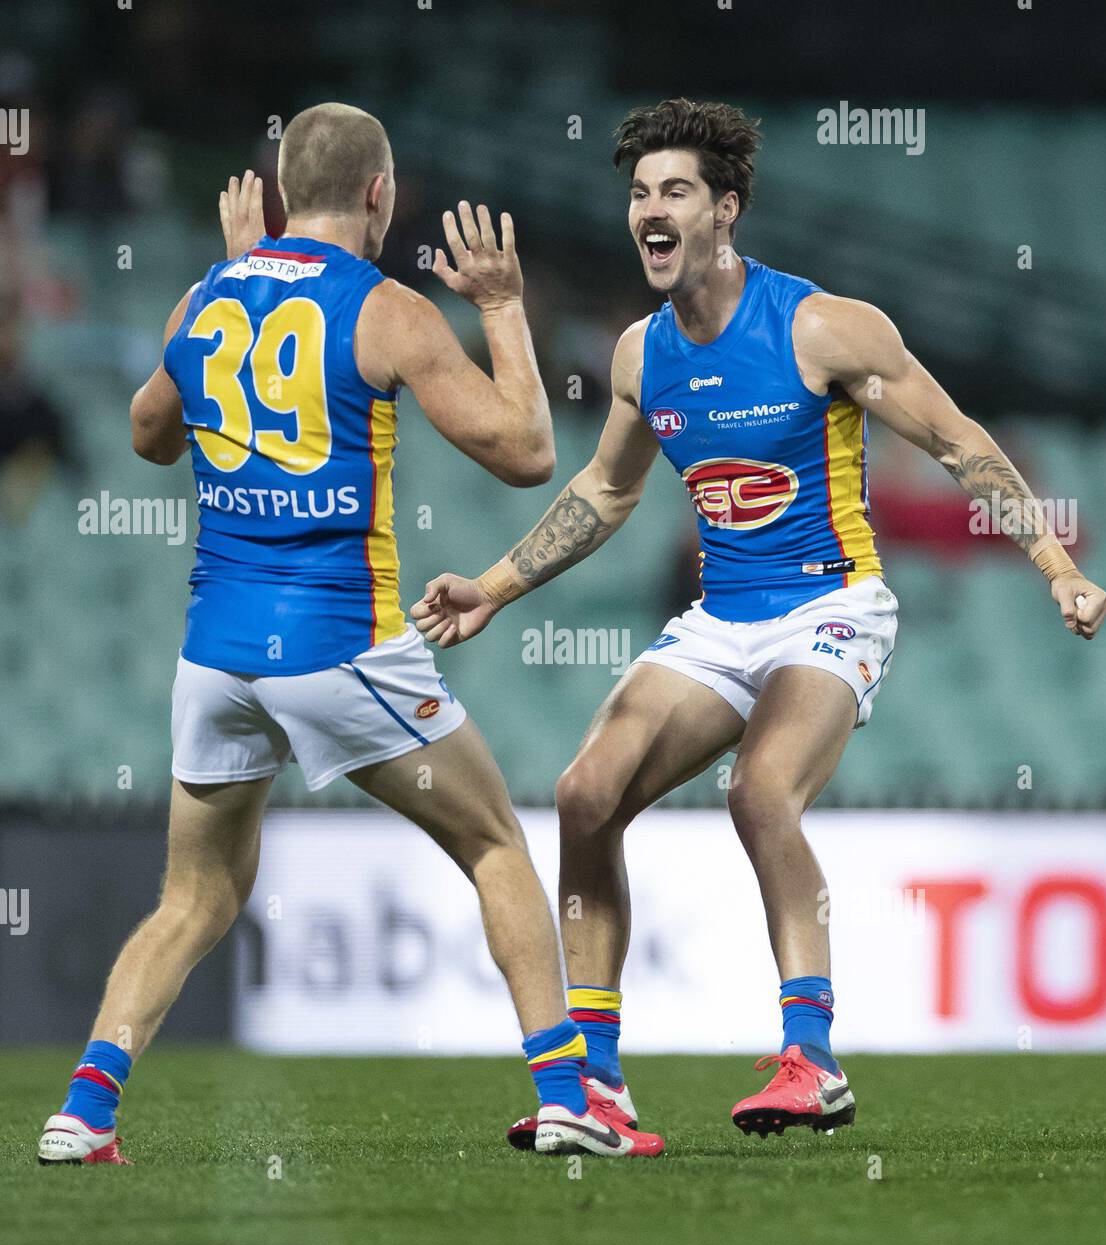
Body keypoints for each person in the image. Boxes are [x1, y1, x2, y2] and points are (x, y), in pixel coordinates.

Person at [411, 98, 1106, 1145]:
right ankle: (597, 1086)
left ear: (725, 210)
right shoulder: (642, 354)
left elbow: (959, 439)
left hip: (832, 607)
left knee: (760, 790)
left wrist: (1055, 565)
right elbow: (606, 492)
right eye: (640, 193)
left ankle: (812, 1058)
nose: (651, 210)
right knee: (585, 793)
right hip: (722, 620)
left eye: (676, 190)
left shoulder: (821, 327)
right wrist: (496, 584)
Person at [37, 102, 663, 1166]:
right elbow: (523, 451)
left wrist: (219, 298)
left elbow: (148, 437)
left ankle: (84, 1111)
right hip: (335, 645)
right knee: (496, 844)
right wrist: (505, 308)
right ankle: (570, 1096)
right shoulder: (386, 310)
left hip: (214, 657)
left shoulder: (205, 295)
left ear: (279, 194)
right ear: (381, 194)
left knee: (195, 894)